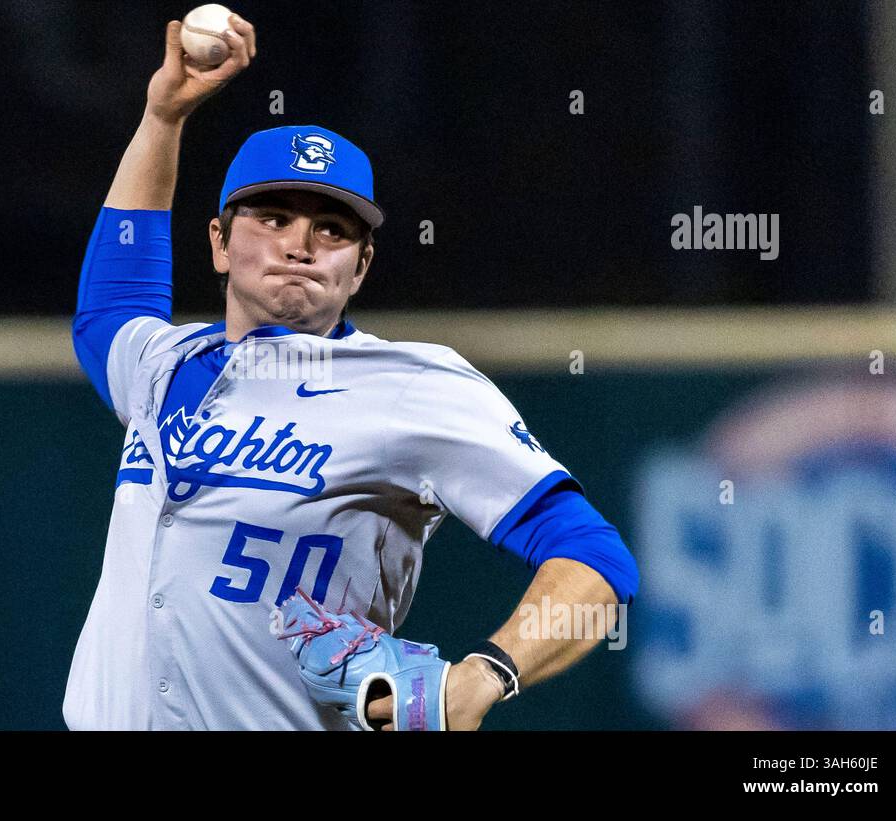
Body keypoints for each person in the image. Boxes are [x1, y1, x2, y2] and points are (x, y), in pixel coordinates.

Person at [63, 13, 639, 730]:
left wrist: (488, 671)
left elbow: (592, 556)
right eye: (272, 217)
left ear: (360, 266)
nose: (300, 243)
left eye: (332, 229)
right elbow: (111, 306)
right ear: (218, 243)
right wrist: (163, 116)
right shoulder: (163, 366)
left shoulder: (410, 386)